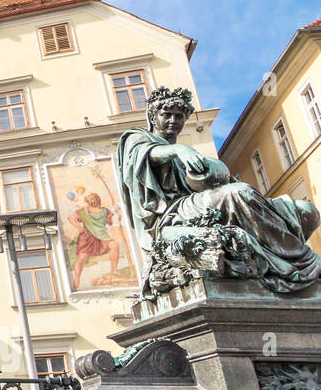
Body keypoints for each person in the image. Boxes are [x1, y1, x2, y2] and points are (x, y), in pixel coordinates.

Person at [117, 86, 321, 294]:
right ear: (153, 116)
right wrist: (178, 149)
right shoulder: (137, 139)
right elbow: (144, 155)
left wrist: (214, 173)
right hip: (172, 214)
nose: (173, 121)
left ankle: (283, 258)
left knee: (305, 210)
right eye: (166, 115)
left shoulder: (189, 157)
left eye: (179, 116)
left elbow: (216, 184)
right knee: (239, 193)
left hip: (197, 204)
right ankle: (301, 262)